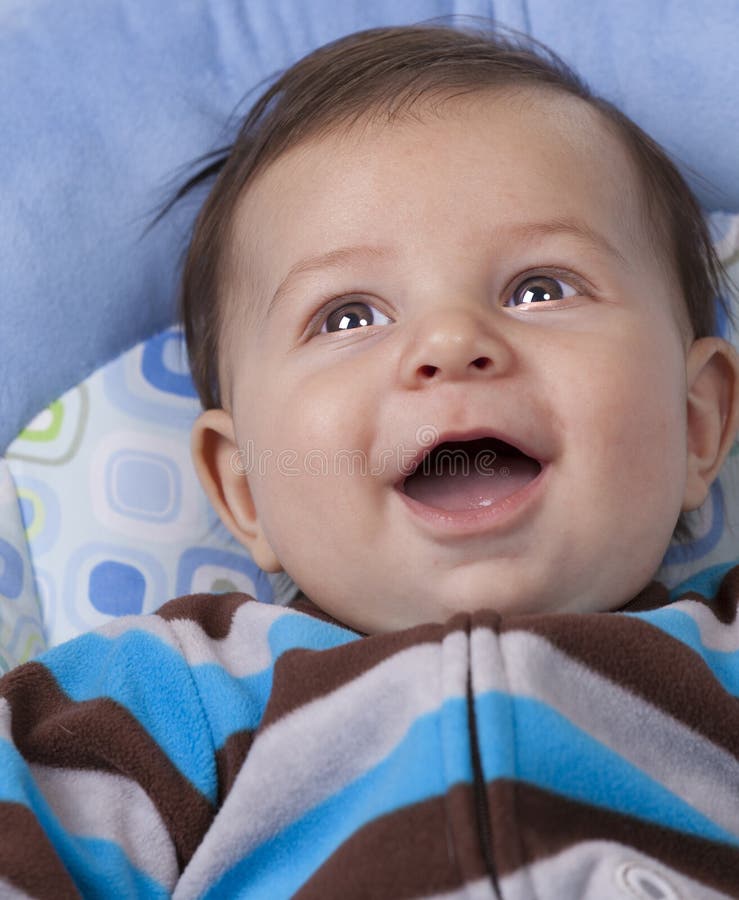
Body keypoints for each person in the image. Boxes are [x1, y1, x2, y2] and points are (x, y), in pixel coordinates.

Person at [2, 23, 739, 899]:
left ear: (695, 422)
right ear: (244, 486)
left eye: (539, 289)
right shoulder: (170, 700)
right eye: (348, 316)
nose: (451, 342)